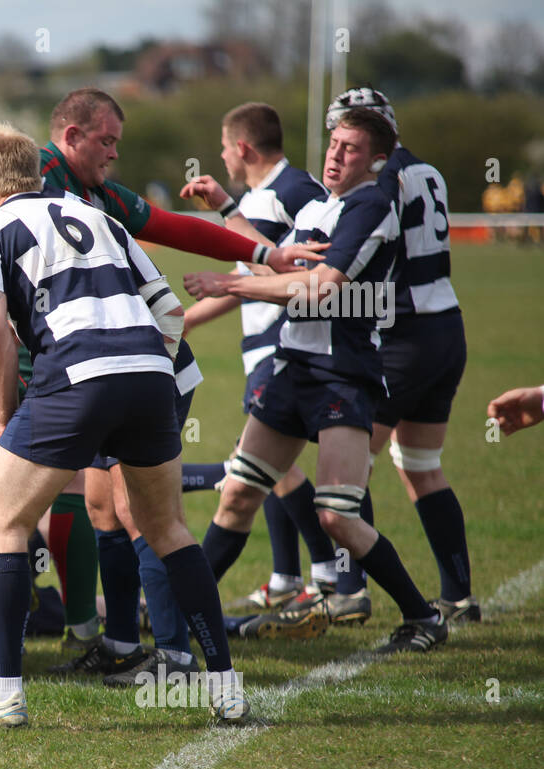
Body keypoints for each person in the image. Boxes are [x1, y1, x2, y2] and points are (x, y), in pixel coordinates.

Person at [0, 123, 249, 728]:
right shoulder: (95, 214)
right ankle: (225, 684)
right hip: (151, 376)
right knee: (168, 530)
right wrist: (144, 376)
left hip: (75, 375)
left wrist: (7, 420)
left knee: (3, 523)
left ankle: (4, 693)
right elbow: (171, 312)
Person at [32, 88, 330, 675]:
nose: (114, 153)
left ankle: (174, 655)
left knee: (140, 510)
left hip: (141, 363)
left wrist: (265, 253)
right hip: (89, 364)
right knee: (100, 505)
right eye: (106, 141)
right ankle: (122, 646)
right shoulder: (41, 182)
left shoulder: (89, 191)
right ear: (71, 136)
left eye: (116, 142)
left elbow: (174, 228)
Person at [186, 108, 448, 655]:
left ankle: (423, 616)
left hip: (341, 377)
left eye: (349, 147)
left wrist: (225, 287)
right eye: (333, 143)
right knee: (236, 495)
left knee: (336, 515)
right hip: (291, 370)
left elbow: (322, 286)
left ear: (378, 159)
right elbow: (278, 272)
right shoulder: (321, 207)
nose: (334, 154)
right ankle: (180, 616)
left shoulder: (373, 206)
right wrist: (228, 210)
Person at [178, 102, 344, 631]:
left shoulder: (275, 194)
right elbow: (249, 276)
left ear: (243, 148)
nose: (223, 155)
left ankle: (327, 578)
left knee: (264, 468)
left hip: (282, 346)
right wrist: (185, 322)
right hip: (276, 345)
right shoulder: (281, 189)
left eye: (225, 147)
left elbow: (272, 272)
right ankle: (295, 579)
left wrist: (182, 323)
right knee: (270, 471)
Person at [325, 88, 479, 625]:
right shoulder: (428, 171)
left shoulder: (382, 180)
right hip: (446, 327)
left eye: (347, 140)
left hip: (405, 332)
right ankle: (458, 596)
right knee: (420, 464)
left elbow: (367, 244)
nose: (339, 153)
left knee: (349, 468)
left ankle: (350, 589)